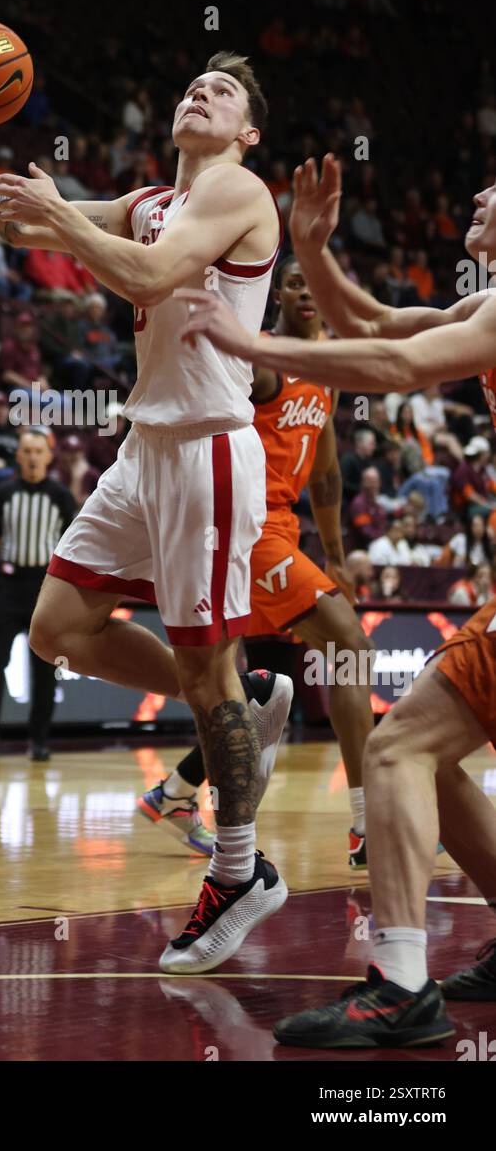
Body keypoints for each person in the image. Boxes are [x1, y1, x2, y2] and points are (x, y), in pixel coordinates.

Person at [0, 48, 289, 973]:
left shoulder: (240, 190)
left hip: (208, 448)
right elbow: (13, 225)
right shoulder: (146, 201)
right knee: (56, 630)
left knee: (203, 680)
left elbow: (151, 278)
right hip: (143, 449)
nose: (197, 92)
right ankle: (242, 708)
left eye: (222, 92)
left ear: (247, 132)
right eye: (192, 84)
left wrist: (58, 215)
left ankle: (240, 874)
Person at [179, 156, 496, 1046]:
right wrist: (315, 252)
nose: (478, 194)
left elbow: (394, 364)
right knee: (426, 750)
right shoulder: (485, 306)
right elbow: (380, 321)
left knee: (396, 747)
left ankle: (399, 981)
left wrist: (257, 346)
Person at [139, 254, 375, 865]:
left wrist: (337, 556)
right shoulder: (263, 357)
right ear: (279, 297)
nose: (304, 293)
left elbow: (325, 478)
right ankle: (367, 821)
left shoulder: (326, 374)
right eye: (293, 283)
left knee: (265, 693)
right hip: (247, 525)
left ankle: (176, 791)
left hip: (285, 534)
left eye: (313, 285)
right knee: (349, 649)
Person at [0, 429, 76, 761]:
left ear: (48, 456)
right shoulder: (2, 493)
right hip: (9, 586)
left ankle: (39, 740)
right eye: (26, 450)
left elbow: (73, 545)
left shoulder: (60, 496)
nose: (31, 456)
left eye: (37, 451)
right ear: (18, 455)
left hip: (45, 589)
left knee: (44, 668)